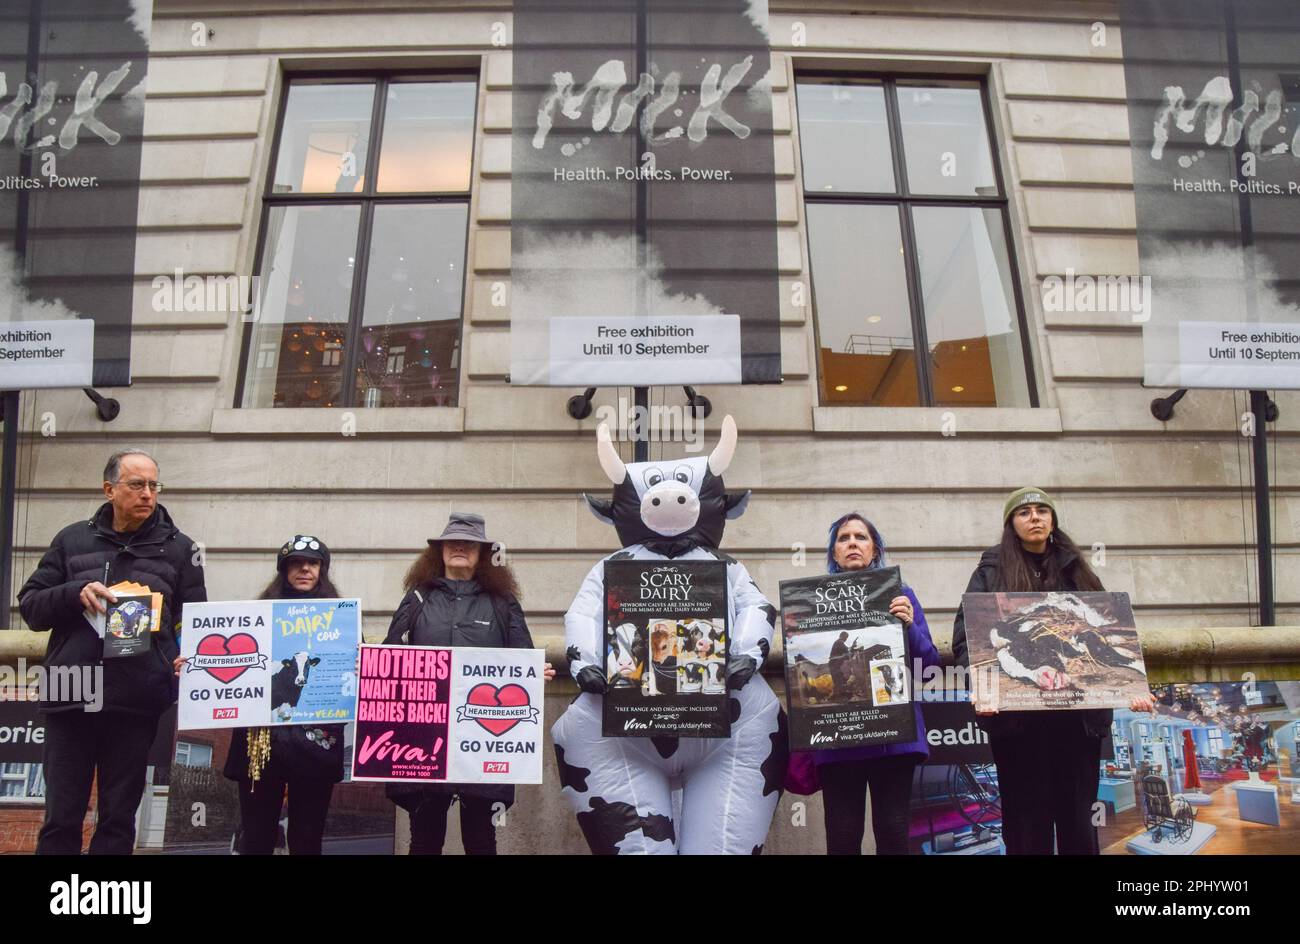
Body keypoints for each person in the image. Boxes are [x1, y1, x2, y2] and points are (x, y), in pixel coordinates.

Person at [18, 449, 206, 854]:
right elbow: (31, 607)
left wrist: (185, 654)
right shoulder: (71, 539)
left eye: (154, 485)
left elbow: (195, 622)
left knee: (119, 821)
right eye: (136, 485)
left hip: (137, 698)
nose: (148, 494)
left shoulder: (181, 549)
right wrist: (74, 593)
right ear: (109, 489)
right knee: (61, 817)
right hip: (72, 693)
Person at [951, 487, 1154, 855]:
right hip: (1018, 724)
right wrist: (982, 686)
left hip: (1077, 724)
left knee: (1078, 819)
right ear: (1012, 523)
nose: (1035, 518)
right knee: (1027, 821)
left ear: (1052, 520)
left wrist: (1132, 689)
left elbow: (1105, 631)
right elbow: (967, 638)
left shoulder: (1076, 569)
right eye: (1024, 512)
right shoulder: (990, 572)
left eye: (1042, 510)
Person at [383, 513, 554, 855]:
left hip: (485, 739)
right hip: (424, 739)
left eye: (469, 543)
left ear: (482, 553)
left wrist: (536, 673)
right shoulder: (417, 598)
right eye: (452, 542)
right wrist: (372, 665)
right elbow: (391, 656)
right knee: (424, 840)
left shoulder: (503, 602)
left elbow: (522, 657)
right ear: (440, 551)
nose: (459, 547)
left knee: (481, 840)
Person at [814, 513, 941, 855]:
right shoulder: (813, 601)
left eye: (861, 537)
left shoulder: (901, 595)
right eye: (843, 538)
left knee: (893, 830)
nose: (852, 543)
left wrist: (909, 626)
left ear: (875, 549)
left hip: (892, 737)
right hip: (839, 735)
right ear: (834, 553)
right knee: (842, 836)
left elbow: (929, 666)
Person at [220, 535, 346, 855]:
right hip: (260, 744)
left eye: (313, 563)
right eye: (296, 563)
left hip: (316, 746)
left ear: (323, 569)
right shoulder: (254, 618)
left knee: (307, 839)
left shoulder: (343, 622)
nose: (305, 569)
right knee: (257, 836)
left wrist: (360, 662)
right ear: (283, 570)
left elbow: (349, 678)